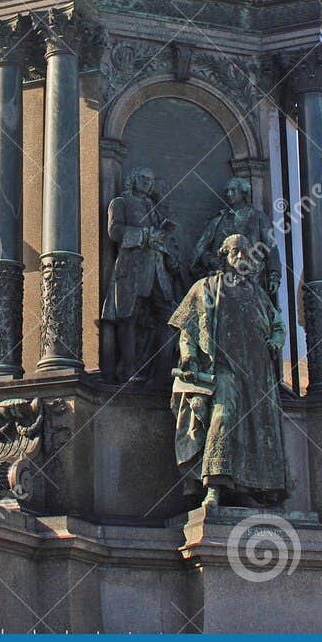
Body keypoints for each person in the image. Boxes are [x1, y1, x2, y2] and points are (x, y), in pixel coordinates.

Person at [169, 234, 289, 509]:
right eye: (235, 251)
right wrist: (189, 358)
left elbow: (278, 324)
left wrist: (275, 340)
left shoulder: (258, 294)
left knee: (257, 427)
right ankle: (214, 487)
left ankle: (248, 487)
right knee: (223, 417)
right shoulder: (206, 288)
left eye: (246, 252)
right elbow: (188, 329)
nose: (241, 256)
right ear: (224, 256)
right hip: (223, 368)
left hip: (257, 372)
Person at [100, 166, 176, 383]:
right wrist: (144, 235)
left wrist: (164, 243)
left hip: (157, 267)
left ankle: (162, 373)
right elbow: (115, 231)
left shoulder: (153, 205)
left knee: (168, 315)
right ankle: (128, 370)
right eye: (142, 178)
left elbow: (163, 233)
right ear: (133, 179)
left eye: (149, 180)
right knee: (128, 316)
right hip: (131, 266)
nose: (146, 182)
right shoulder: (120, 202)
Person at [189, 176, 282, 296]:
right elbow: (200, 249)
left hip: (251, 281)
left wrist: (274, 275)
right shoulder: (218, 220)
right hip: (222, 282)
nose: (229, 194)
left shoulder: (258, 217)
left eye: (233, 190)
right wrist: (209, 260)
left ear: (243, 193)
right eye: (227, 191)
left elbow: (270, 247)